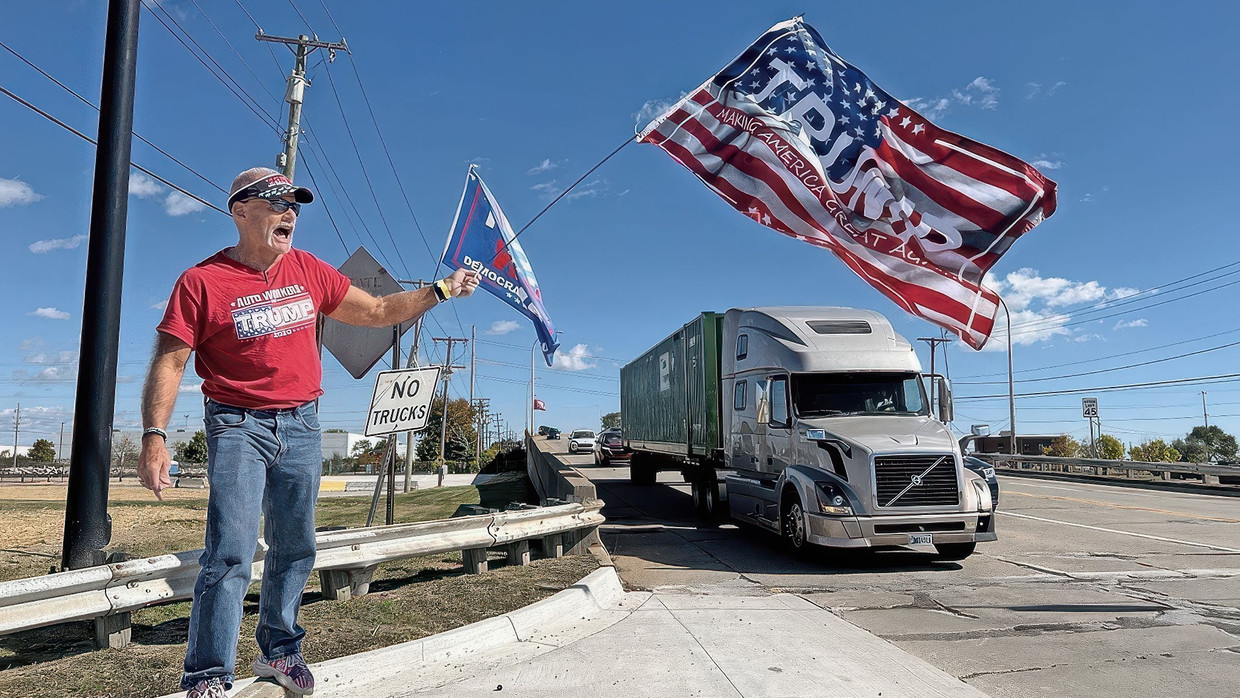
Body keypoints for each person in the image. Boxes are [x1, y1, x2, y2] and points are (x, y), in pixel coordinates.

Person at [137, 167, 479, 698]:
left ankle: (280, 651)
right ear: (241, 211)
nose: (289, 212)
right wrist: (155, 436)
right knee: (229, 551)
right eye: (275, 202)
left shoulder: (309, 270)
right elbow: (171, 360)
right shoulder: (202, 282)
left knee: (296, 545)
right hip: (236, 424)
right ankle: (207, 675)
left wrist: (440, 289)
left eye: (294, 203)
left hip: (302, 424)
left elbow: (381, 310)